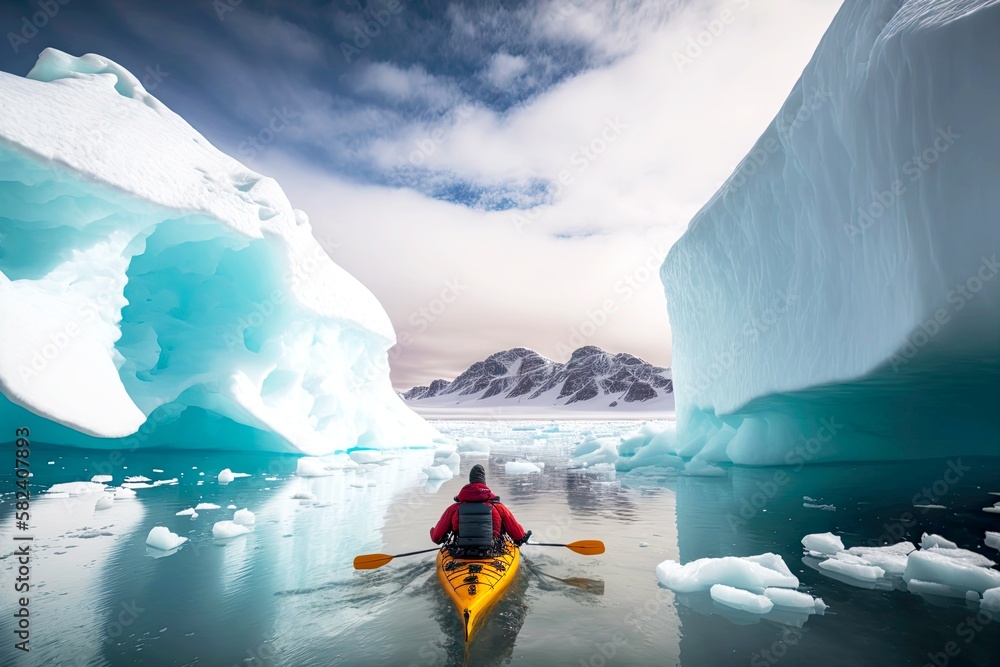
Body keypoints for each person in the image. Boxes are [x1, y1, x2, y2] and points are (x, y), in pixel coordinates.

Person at [430, 464, 531, 555]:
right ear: (484, 482)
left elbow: (436, 538)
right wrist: (522, 538)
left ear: (470, 481)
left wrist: (433, 532)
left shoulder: (454, 508)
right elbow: (518, 535)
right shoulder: (498, 507)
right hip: (491, 552)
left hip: (462, 552)